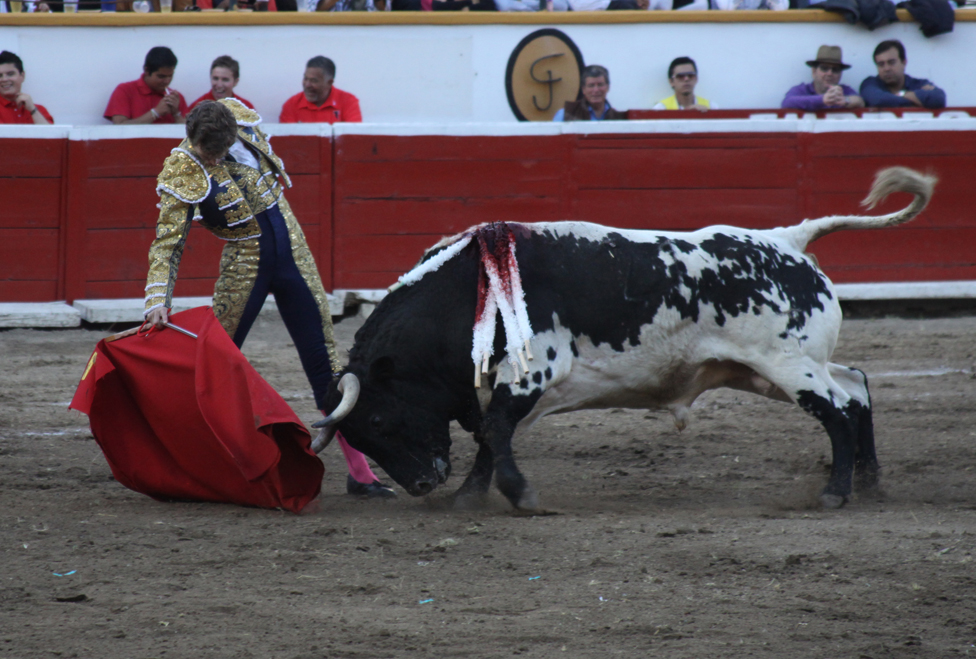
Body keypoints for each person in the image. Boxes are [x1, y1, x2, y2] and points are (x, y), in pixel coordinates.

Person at [144, 100, 394, 498]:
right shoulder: (181, 168)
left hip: (293, 251)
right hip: (246, 264)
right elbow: (167, 244)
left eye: (223, 149)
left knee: (324, 361)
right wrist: (158, 297)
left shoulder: (238, 119)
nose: (218, 158)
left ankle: (361, 475)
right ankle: (193, 462)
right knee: (215, 365)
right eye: (213, 154)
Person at [104, 46, 188, 125]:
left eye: (170, 76)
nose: (167, 81)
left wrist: (176, 114)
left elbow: (191, 133)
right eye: (161, 76)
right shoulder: (125, 90)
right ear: (146, 70)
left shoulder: (176, 97)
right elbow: (119, 126)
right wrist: (155, 113)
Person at [860, 40, 946, 109]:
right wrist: (919, 102)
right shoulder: (870, 84)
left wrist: (902, 94)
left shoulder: (918, 84)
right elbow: (878, 100)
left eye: (891, 62)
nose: (886, 69)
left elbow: (938, 99)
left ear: (904, 62)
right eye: (881, 64)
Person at [279, 57, 362, 124]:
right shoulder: (291, 105)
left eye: (314, 81)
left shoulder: (348, 102)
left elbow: (354, 138)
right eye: (305, 78)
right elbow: (287, 142)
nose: (307, 85)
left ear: (329, 82)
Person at [782, 45, 864, 111]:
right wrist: (822, 99)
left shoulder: (844, 90)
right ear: (814, 71)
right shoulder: (802, 90)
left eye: (835, 70)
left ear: (840, 74)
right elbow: (787, 103)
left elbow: (860, 101)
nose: (830, 73)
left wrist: (845, 100)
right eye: (824, 68)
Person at [552, 65, 626, 122]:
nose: (596, 90)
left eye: (600, 85)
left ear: (608, 87)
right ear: (583, 89)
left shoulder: (619, 119)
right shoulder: (565, 114)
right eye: (591, 85)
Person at [0, 51, 53, 125]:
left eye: (10, 74)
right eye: (0, 76)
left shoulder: (39, 110)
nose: (4, 79)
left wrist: (33, 110)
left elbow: (51, 135)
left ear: (22, 76)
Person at [189, 56, 254, 111]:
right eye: (215, 78)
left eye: (225, 80)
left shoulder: (246, 108)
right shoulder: (198, 106)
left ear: (235, 82)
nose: (219, 85)